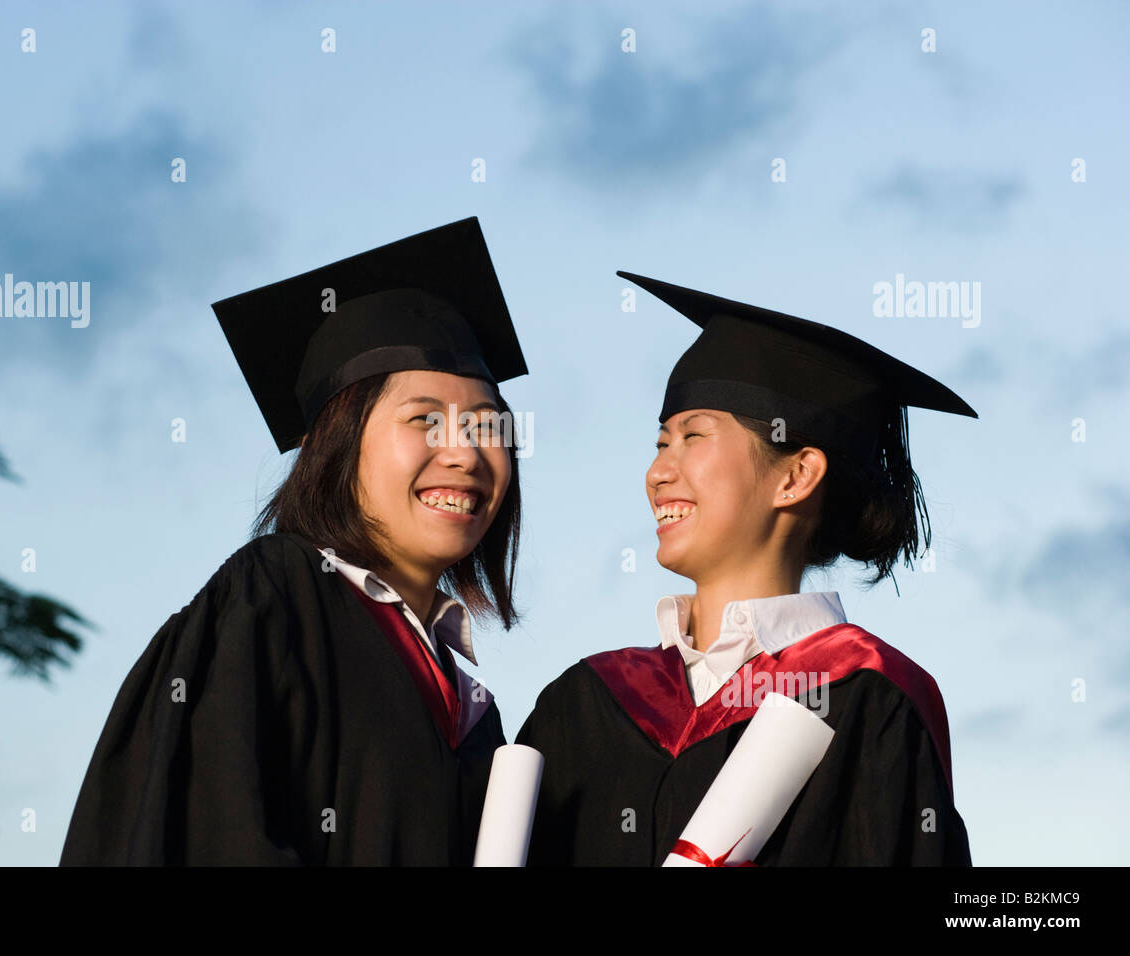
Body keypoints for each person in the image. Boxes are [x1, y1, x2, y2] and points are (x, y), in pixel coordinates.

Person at [59, 217, 529, 865]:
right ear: (334, 444)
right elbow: (210, 835)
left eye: (487, 424)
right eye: (424, 419)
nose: (466, 453)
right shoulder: (275, 597)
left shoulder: (472, 710)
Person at [516, 271, 975, 866]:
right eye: (661, 443)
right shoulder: (585, 705)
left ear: (795, 476)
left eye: (693, 437)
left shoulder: (870, 698)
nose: (659, 473)